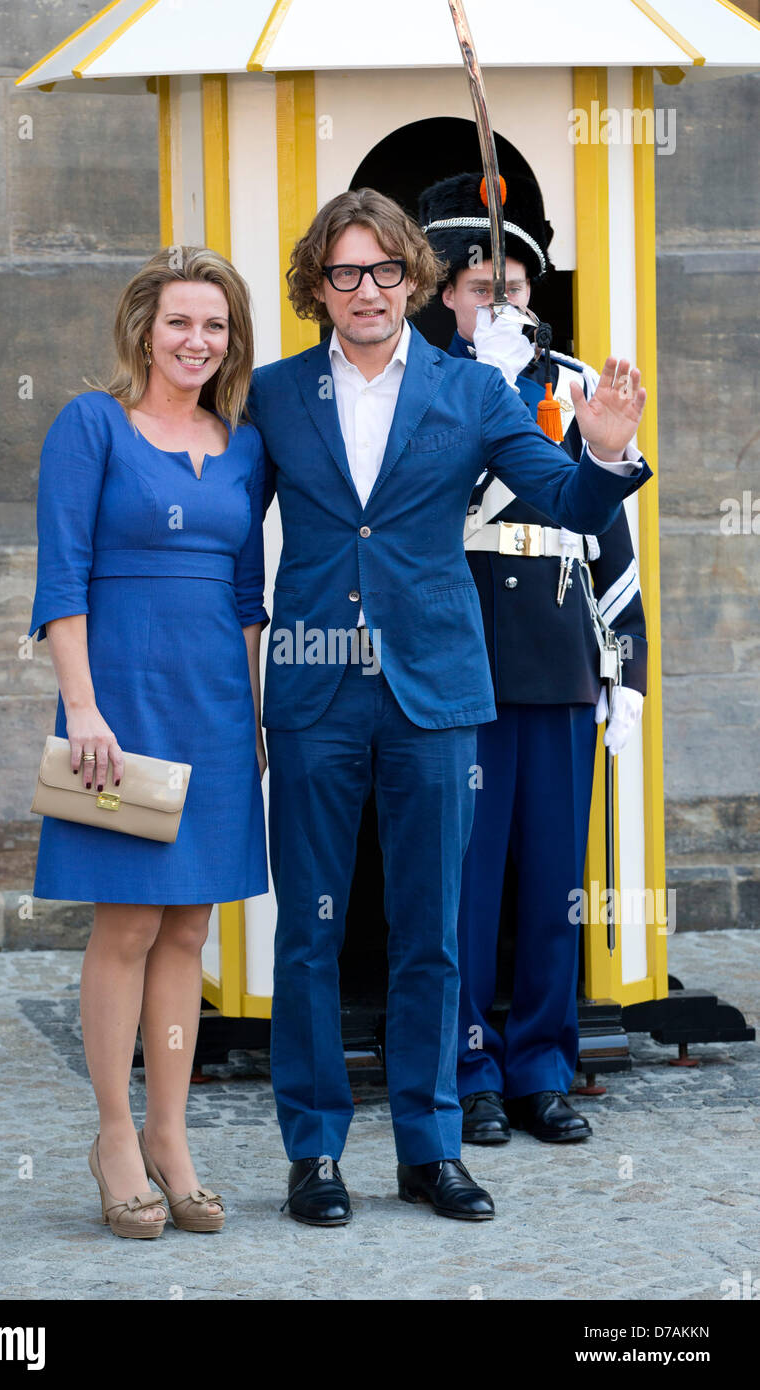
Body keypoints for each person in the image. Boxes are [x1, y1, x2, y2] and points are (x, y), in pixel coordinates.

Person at [246, 187, 651, 1226]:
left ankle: (427, 1147)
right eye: (344, 273)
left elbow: (561, 501)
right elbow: (230, 534)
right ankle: (314, 1151)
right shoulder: (277, 393)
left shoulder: (472, 393)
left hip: (435, 692)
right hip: (313, 685)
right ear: (317, 286)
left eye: (384, 270)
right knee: (311, 931)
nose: (366, 290)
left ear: (412, 279)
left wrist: (601, 450)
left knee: (431, 932)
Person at [28, 247, 269, 1238]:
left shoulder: (244, 446)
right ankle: (114, 1132)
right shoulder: (91, 424)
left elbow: (247, 595)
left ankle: (171, 1135)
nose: (195, 341)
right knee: (125, 924)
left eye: (213, 326)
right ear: (144, 328)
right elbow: (62, 575)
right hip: (118, 700)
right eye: (179, 322)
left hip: (213, 702)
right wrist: (81, 707)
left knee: (187, 929)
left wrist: (250, 716)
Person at [419, 171, 647, 1145]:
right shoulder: (428, 390)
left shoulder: (571, 389)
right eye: (479, 289)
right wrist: (488, 381)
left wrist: (624, 667)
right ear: (446, 300)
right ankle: (463, 1065)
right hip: (463, 654)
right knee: (462, 884)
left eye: (510, 287)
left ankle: (541, 1065)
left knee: (556, 878)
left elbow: (610, 536)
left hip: (557, 653)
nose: (498, 302)